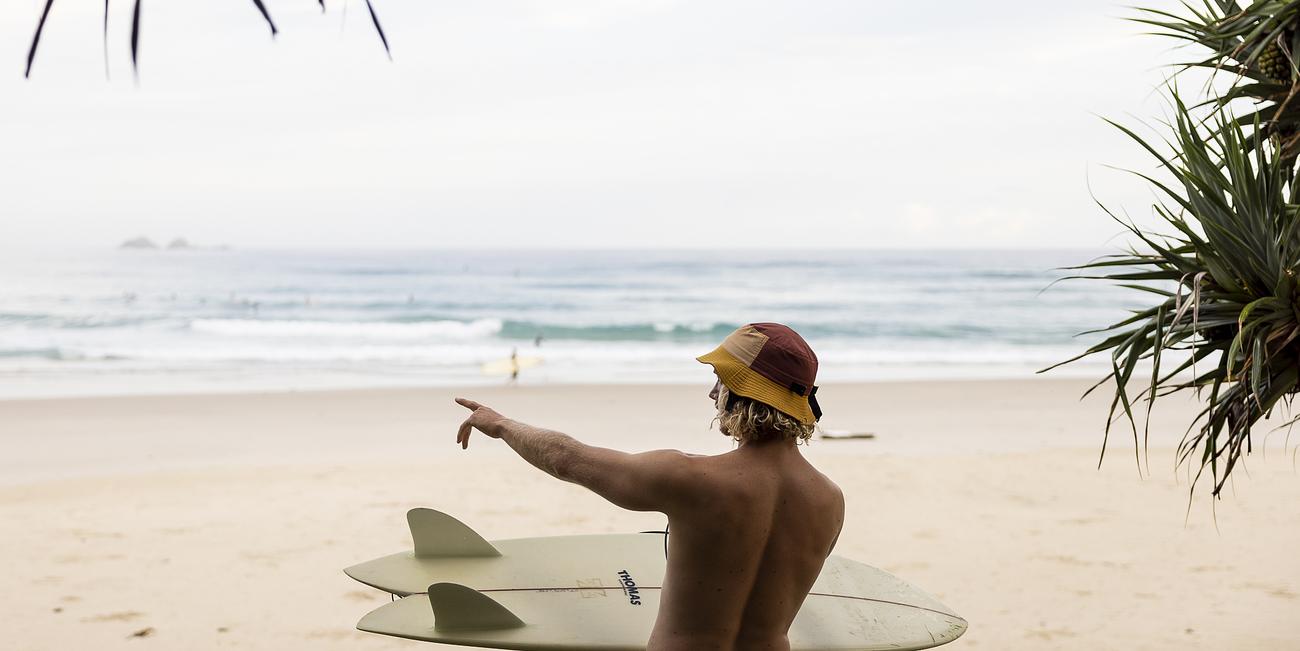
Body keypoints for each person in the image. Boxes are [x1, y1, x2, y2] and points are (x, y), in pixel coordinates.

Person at [455, 322, 844, 651]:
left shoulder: (690, 479)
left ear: (744, 395)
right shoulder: (830, 500)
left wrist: (501, 425)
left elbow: (566, 459)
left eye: (720, 381)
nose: (712, 394)